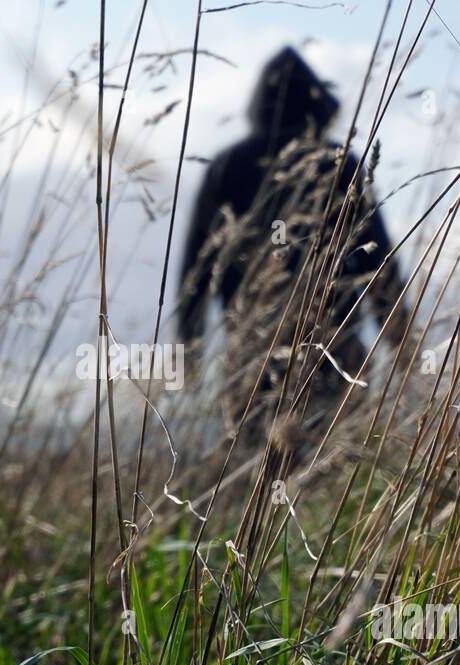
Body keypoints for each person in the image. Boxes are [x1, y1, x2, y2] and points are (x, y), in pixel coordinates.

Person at [176, 46, 409, 450]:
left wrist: (191, 353)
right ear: (316, 108)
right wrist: (400, 338)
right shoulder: (339, 164)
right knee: (336, 478)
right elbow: (378, 262)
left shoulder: (226, 168)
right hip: (335, 351)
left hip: (252, 358)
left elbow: (195, 271)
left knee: (257, 476)